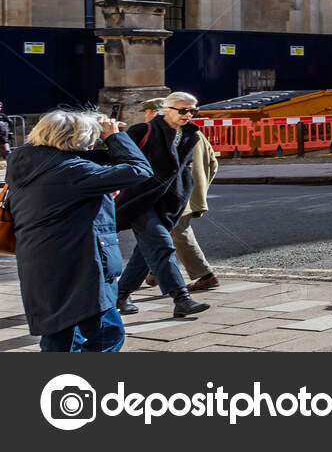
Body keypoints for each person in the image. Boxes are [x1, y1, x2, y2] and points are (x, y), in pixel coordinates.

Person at [6, 109, 153, 351]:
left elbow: (86, 161)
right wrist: (114, 137)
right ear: (76, 140)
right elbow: (140, 170)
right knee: (108, 335)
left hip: (40, 263)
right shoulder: (75, 172)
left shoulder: (24, 162)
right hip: (80, 263)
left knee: (59, 333)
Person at [114, 93, 210, 319]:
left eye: (192, 110)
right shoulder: (141, 131)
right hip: (139, 200)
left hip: (168, 203)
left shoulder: (191, 135)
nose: (188, 114)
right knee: (162, 246)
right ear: (165, 109)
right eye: (183, 110)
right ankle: (181, 299)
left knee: (146, 251)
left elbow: (184, 170)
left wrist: (184, 194)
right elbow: (120, 159)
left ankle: (121, 293)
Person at [174, 125, 220, 293]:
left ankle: (206, 275)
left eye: (148, 112)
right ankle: (155, 272)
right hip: (190, 191)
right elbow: (213, 163)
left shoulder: (169, 133)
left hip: (176, 192)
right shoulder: (196, 133)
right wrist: (202, 187)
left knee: (177, 230)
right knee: (157, 232)